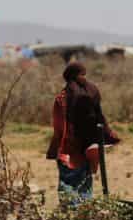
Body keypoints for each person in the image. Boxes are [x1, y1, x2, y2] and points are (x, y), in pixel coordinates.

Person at [46, 59, 119, 207]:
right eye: (82, 74)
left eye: (84, 74)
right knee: (85, 189)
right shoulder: (90, 94)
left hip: (69, 152)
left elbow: (60, 128)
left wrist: (56, 148)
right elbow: (101, 120)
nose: (84, 78)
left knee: (69, 189)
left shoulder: (63, 99)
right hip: (87, 150)